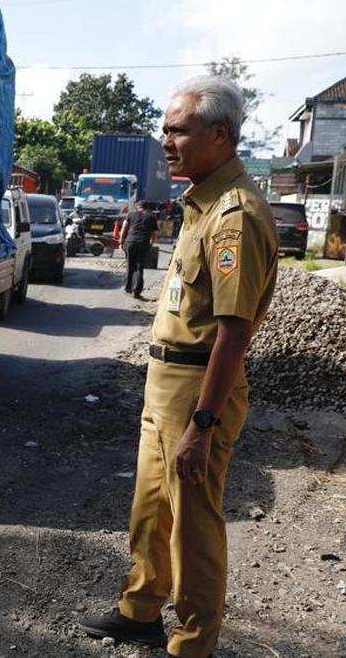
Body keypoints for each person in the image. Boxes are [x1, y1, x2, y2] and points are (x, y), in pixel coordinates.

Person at [76, 76, 278, 657]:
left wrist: (203, 424)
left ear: (219, 135)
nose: (167, 141)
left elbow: (234, 333)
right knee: (151, 509)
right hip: (165, 380)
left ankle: (193, 644)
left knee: (193, 525)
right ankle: (140, 610)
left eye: (179, 130)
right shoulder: (201, 202)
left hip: (197, 387)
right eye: (164, 129)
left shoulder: (234, 216)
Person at [122, 201, 159, 299]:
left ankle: (128, 288)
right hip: (143, 243)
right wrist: (150, 244)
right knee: (139, 266)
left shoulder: (131, 214)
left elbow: (124, 228)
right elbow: (155, 234)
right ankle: (137, 291)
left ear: (138, 207)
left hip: (130, 242)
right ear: (147, 208)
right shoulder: (151, 217)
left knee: (130, 265)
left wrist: (121, 242)